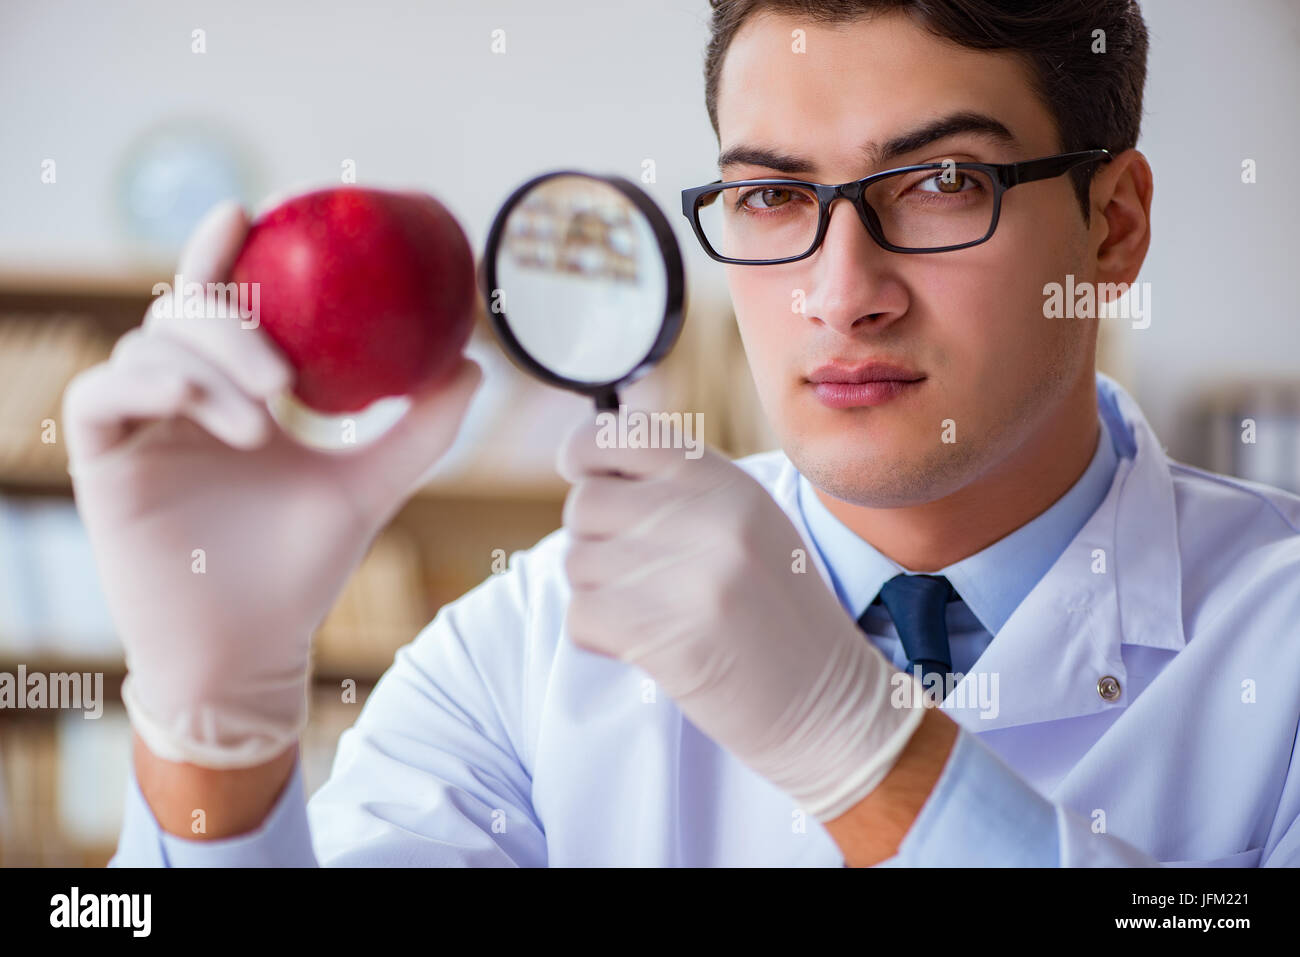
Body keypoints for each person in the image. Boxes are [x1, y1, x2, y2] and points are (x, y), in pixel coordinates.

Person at [80, 0, 1299, 867]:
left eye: (940, 184)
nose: (839, 292)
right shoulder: (527, 645)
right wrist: (212, 745)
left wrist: (865, 758)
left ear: (1112, 228)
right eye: (772, 196)